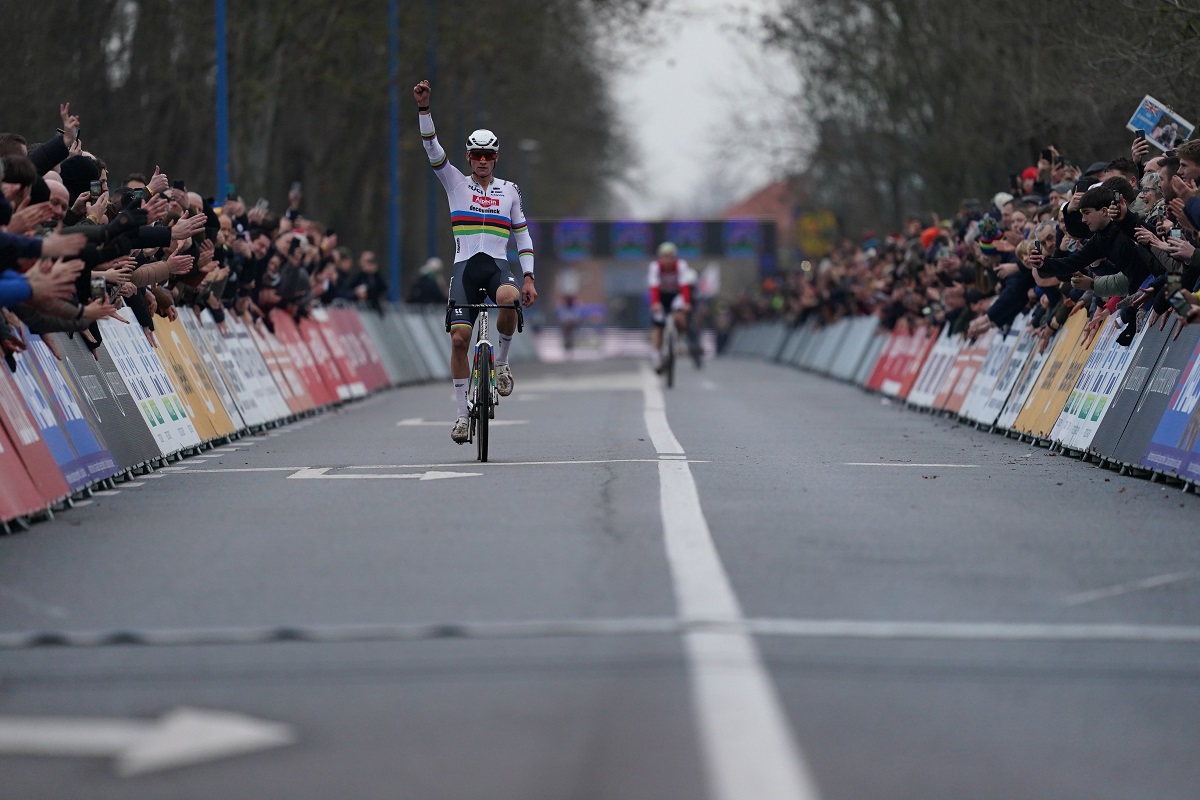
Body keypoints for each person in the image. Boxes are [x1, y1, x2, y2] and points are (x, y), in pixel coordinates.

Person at [413, 79, 537, 444]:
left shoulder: (509, 190)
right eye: (476, 156)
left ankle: (500, 363)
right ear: (468, 157)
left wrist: (528, 276)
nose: (483, 161)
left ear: (496, 157)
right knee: (458, 340)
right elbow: (431, 147)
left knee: (509, 299)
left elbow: (523, 235)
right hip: (464, 269)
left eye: (489, 156)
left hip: (497, 266)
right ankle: (462, 417)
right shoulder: (454, 183)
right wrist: (424, 109)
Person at [647, 241, 696, 373]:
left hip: (676, 295)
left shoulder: (681, 265)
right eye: (664, 256)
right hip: (661, 297)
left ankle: (680, 340)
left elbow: (684, 286)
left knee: (680, 317)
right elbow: (654, 287)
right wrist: (655, 303)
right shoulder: (655, 267)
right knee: (658, 327)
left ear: (674, 257)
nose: (667, 260)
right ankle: (657, 358)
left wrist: (686, 303)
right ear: (660, 257)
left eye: (670, 256)